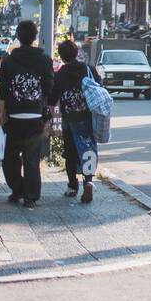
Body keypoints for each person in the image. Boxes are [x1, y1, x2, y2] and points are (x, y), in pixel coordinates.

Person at [0, 20, 55, 209]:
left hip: (14, 116)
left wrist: (1, 113)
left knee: (10, 158)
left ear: (18, 37)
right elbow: (48, 86)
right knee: (32, 159)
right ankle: (31, 195)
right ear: (35, 37)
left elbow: (3, 90)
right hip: (35, 116)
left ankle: (17, 188)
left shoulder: (9, 61)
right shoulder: (45, 60)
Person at [50, 40, 98, 204]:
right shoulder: (88, 69)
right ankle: (89, 181)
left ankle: (72, 186)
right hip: (87, 117)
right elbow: (98, 88)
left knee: (70, 153)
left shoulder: (61, 73)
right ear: (76, 51)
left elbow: (53, 97)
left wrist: (50, 117)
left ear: (62, 57)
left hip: (69, 118)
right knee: (88, 149)